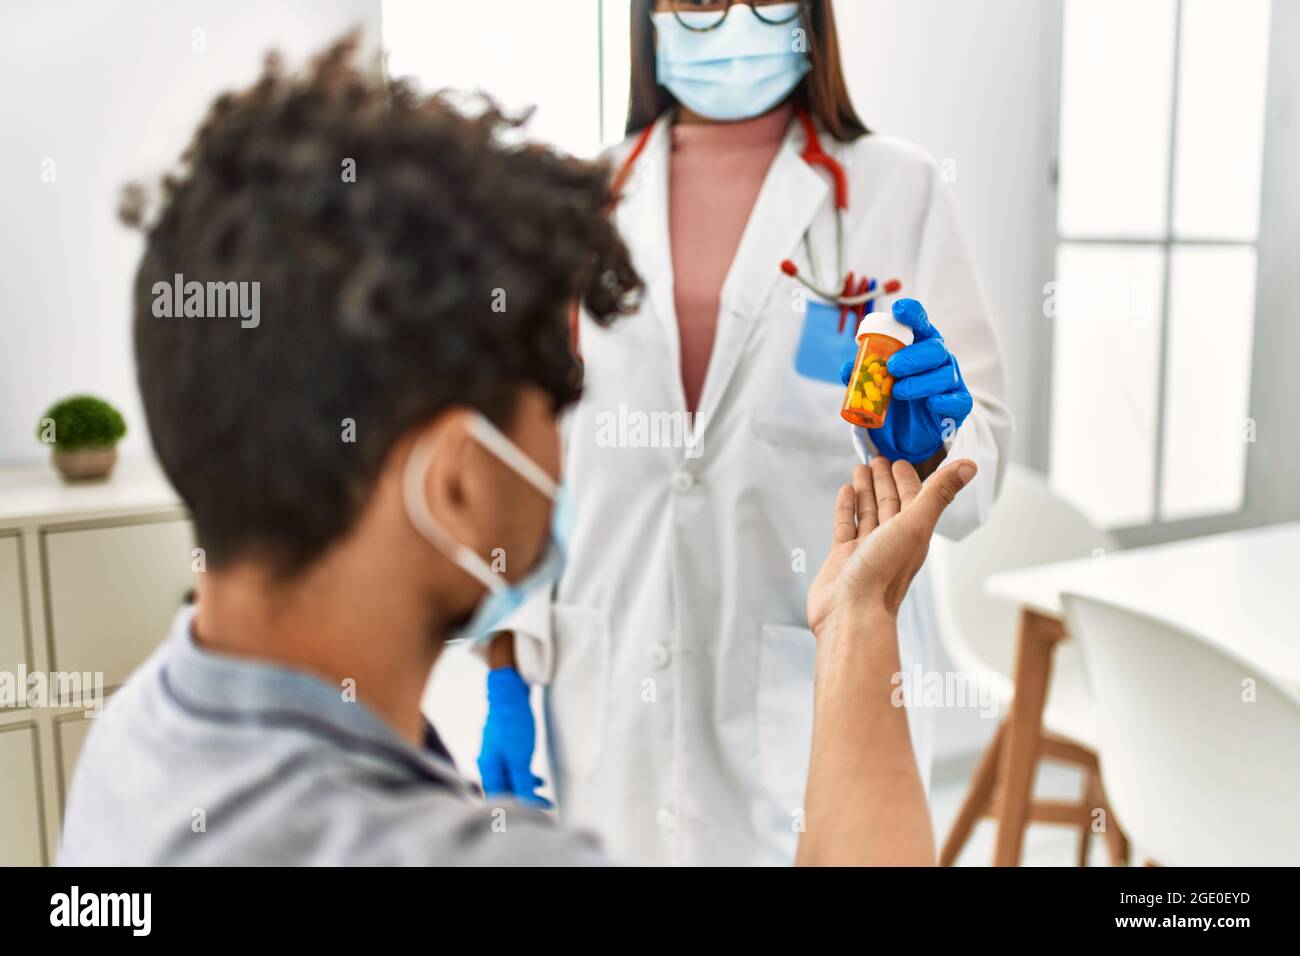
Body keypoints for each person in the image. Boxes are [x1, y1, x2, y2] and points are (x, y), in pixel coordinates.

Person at [56, 36, 977, 867]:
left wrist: (931, 445)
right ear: (454, 485)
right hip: (634, 695)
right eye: (558, 391)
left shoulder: (132, 736)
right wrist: (860, 622)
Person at [479, 0, 1012, 864]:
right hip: (611, 690)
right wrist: (507, 661)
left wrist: (936, 444)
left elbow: (982, 462)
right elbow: (530, 465)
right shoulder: (581, 201)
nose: (726, 15)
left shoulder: (896, 188)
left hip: (810, 689)